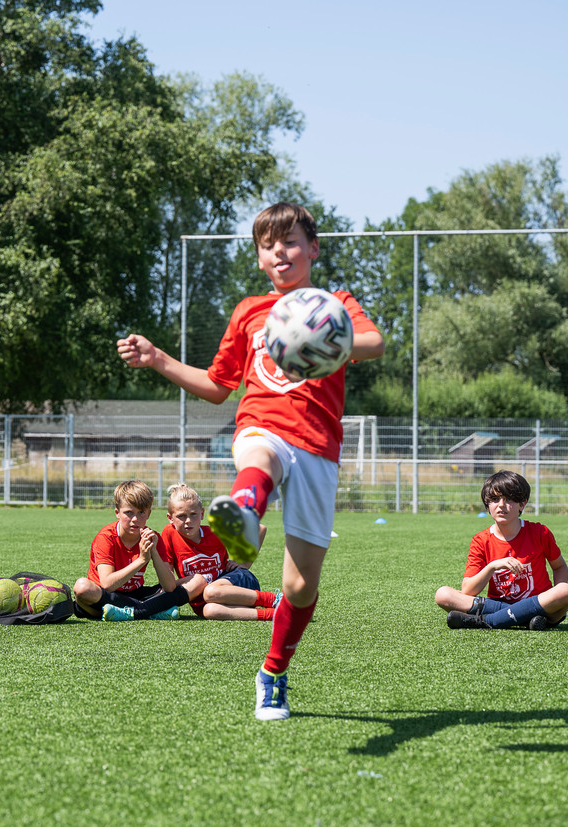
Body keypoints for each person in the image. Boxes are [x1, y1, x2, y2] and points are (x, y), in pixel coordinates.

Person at [117, 201, 385, 721]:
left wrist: (326, 335)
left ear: (313, 248)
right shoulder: (249, 312)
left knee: (300, 586)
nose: (279, 253)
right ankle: (243, 509)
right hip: (262, 425)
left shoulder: (336, 302)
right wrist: (158, 359)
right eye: (268, 245)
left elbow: (374, 342)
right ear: (260, 257)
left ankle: (273, 674)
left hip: (319, 449)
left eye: (288, 242)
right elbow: (219, 387)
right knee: (259, 454)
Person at [434, 470, 568, 630]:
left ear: (522, 504)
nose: (501, 505)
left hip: (538, 602)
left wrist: (556, 599)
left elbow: (559, 566)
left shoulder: (540, 532)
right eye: (495, 499)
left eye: (509, 499)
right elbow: (467, 590)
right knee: (443, 594)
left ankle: (487, 621)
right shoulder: (481, 540)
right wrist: (492, 566)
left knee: (565, 590)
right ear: (487, 505)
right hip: (497, 604)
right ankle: (524, 618)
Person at [159, 483, 281, 621]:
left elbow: (259, 529)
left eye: (193, 514)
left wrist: (245, 563)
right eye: (181, 516)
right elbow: (168, 579)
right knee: (209, 611)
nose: (188, 521)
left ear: (202, 514)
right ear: (170, 518)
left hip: (237, 582)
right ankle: (275, 615)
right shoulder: (169, 534)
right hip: (207, 601)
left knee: (211, 591)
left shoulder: (215, 532)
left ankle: (275, 600)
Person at [72, 480, 189, 621]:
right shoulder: (106, 537)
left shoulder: (152, 537)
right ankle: (149, 611)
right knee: (82, 587)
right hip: (107, 595)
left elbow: (169, 587)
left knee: (197, 581)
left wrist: (154, 553)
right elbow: (108, 584)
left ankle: (128, 613)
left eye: (141, 512)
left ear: (149, 514)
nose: (135, 519)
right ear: (117, 513)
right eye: (129, 512)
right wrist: (141, 560)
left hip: (136, 594)